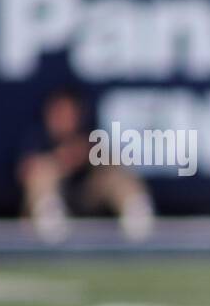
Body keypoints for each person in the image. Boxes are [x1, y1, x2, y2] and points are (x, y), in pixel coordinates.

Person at [17, 87, 155, 243]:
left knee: (118, 176)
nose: (62, 118)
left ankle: (140, 230)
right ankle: (51, 236)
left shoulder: (90, 135)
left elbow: (112, 164)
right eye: (58, 113)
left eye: (67, 113)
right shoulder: (38, 138)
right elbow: (25, 172)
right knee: (41, 174)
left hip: (87, 200)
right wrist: (61, 161)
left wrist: (85, 154)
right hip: (56, 201)